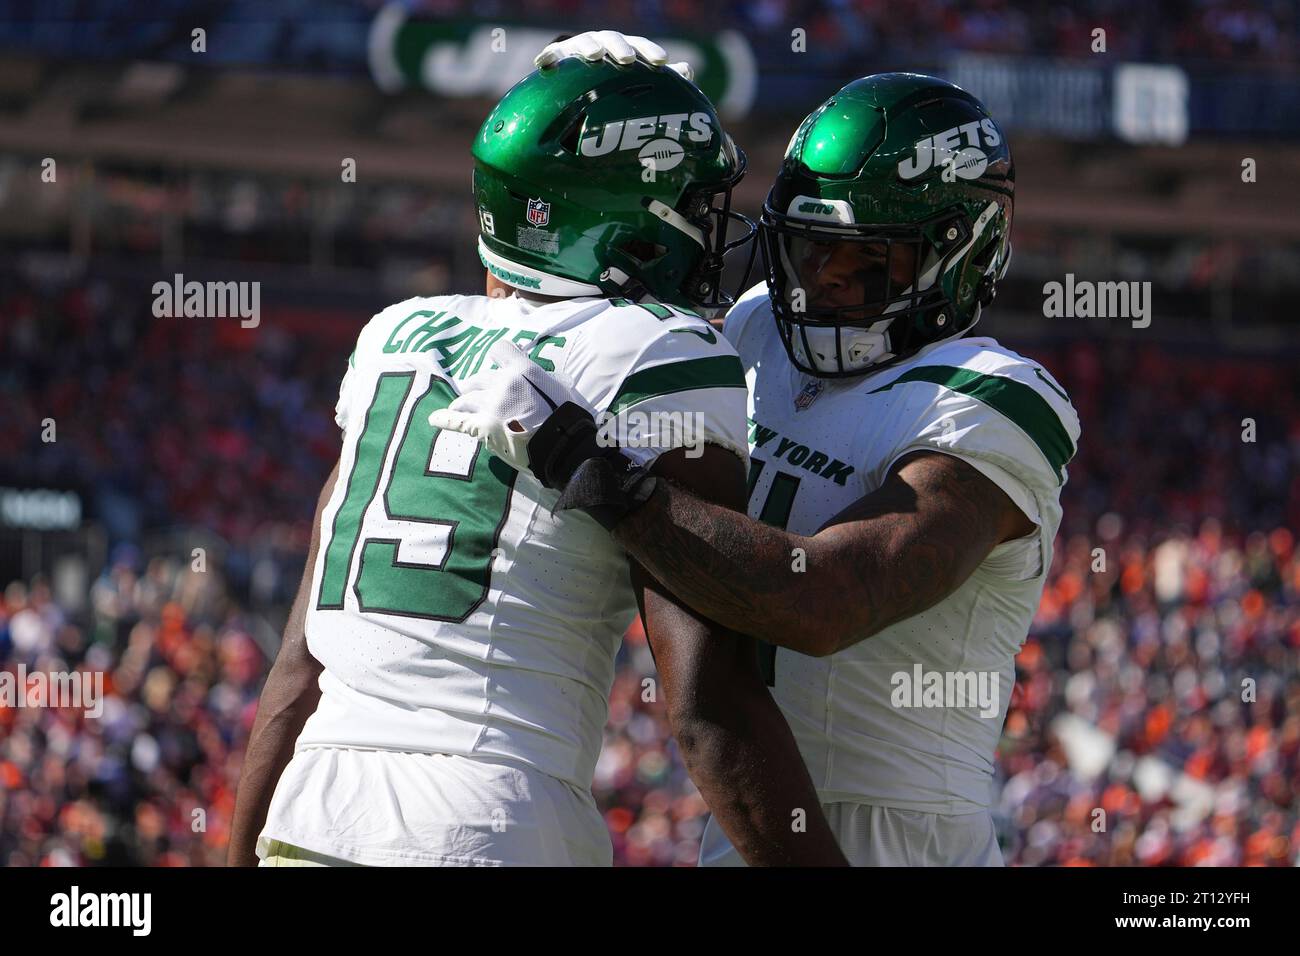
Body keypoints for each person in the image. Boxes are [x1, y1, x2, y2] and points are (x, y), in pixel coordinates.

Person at [429, 33, 1082, 866]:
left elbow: (827, 601)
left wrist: (594, 474)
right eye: (807, 251)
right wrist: (557, 125)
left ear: (960, 253)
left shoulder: (996, 398)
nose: (824, 282)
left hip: (904, 838)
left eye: (862, 260)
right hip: (747, 809)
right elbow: (562, 325)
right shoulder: (754, 325)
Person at [228, 55, 846, 867]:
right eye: (696, 203)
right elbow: (707, 701)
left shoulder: (395, 336)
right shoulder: (661, 350)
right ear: (629, 220)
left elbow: (299, 666)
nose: (710, 225)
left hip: (312, 819)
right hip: (492, 824)